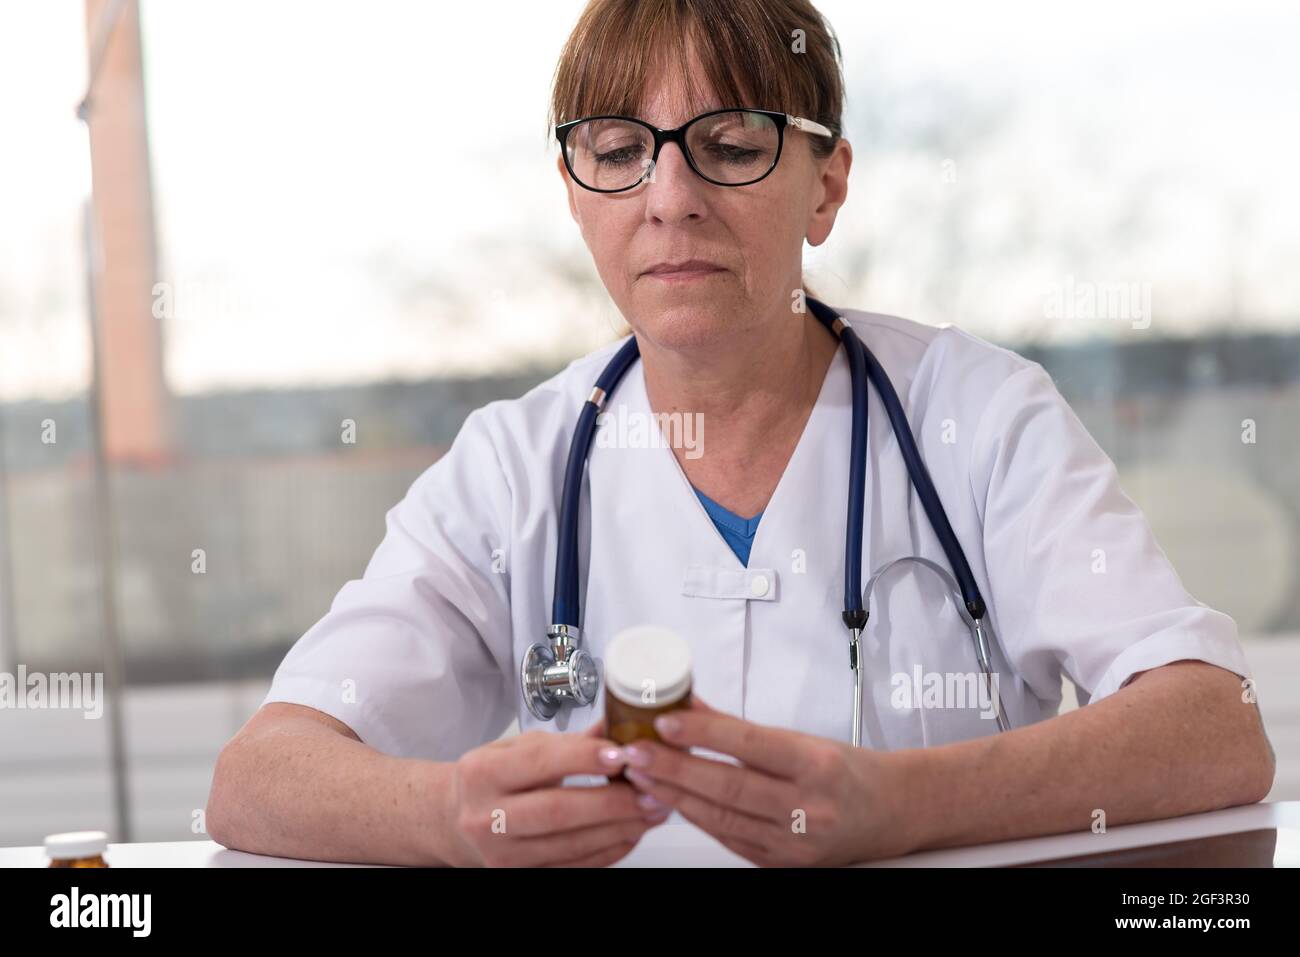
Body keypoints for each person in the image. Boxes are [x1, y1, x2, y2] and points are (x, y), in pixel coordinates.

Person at [206, 0, 1274, 867]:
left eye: (727, 145)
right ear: (576, 196)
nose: (669, 198)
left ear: (827, 184)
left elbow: (1213, 728)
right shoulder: (512, 470)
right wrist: (445, 815)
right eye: (617, 150)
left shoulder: (978, 415)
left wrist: (895, 806)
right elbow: (258, 780)